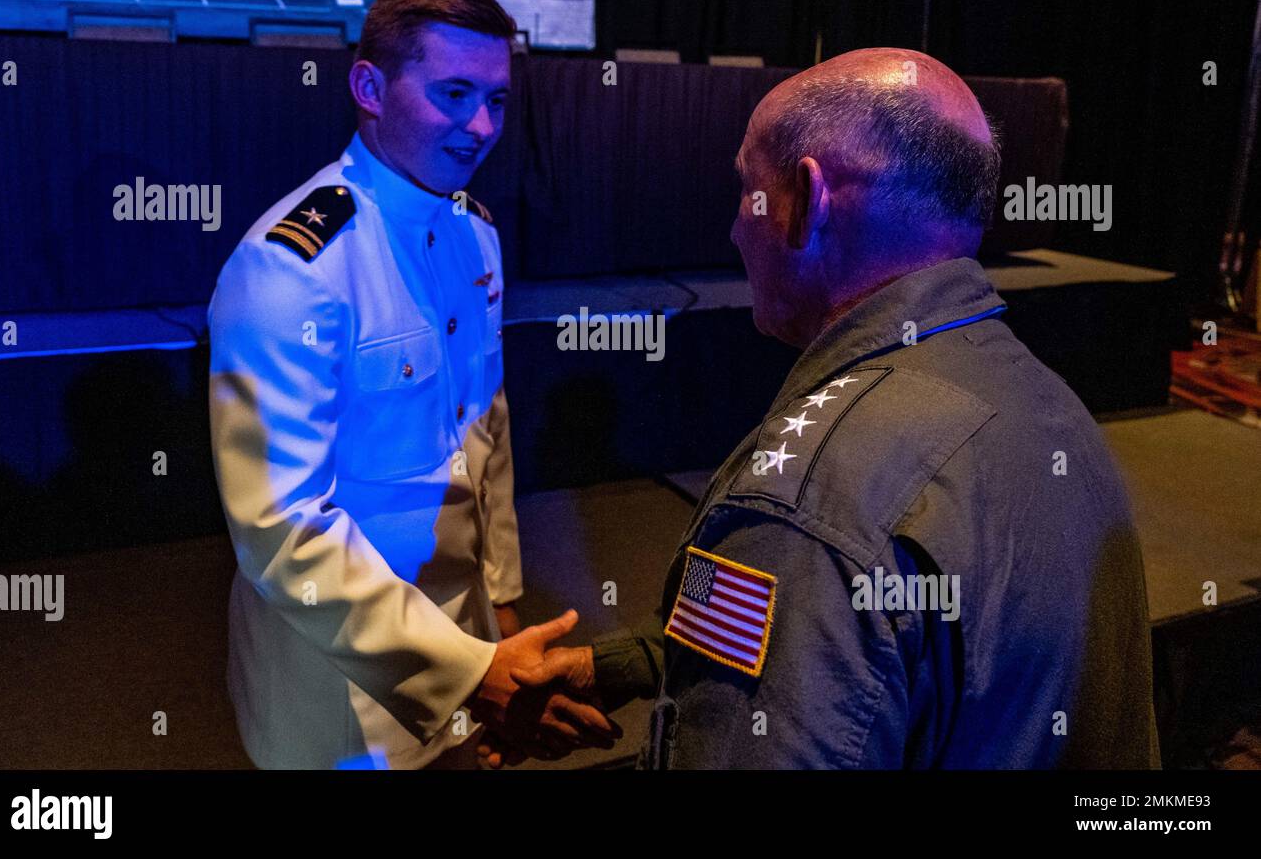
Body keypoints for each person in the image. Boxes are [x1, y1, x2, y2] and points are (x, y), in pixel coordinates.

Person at [495, 48, 1160, 769]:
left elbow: (824, 602)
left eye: (746, 194)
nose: (734, 230)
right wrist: (623, 664)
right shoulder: (1046, 404)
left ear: (809, 202)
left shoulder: (801, 508)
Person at [207, 0, 617, 769]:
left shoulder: (473, 232)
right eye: (455, 93)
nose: (481, 126)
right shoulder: (292, 268)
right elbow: (280, 529)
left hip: (470, 644)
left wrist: (500, 600)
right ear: (369, 85)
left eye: (497, 100)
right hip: (337, 685)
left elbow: (483, 426)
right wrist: (465, 672)